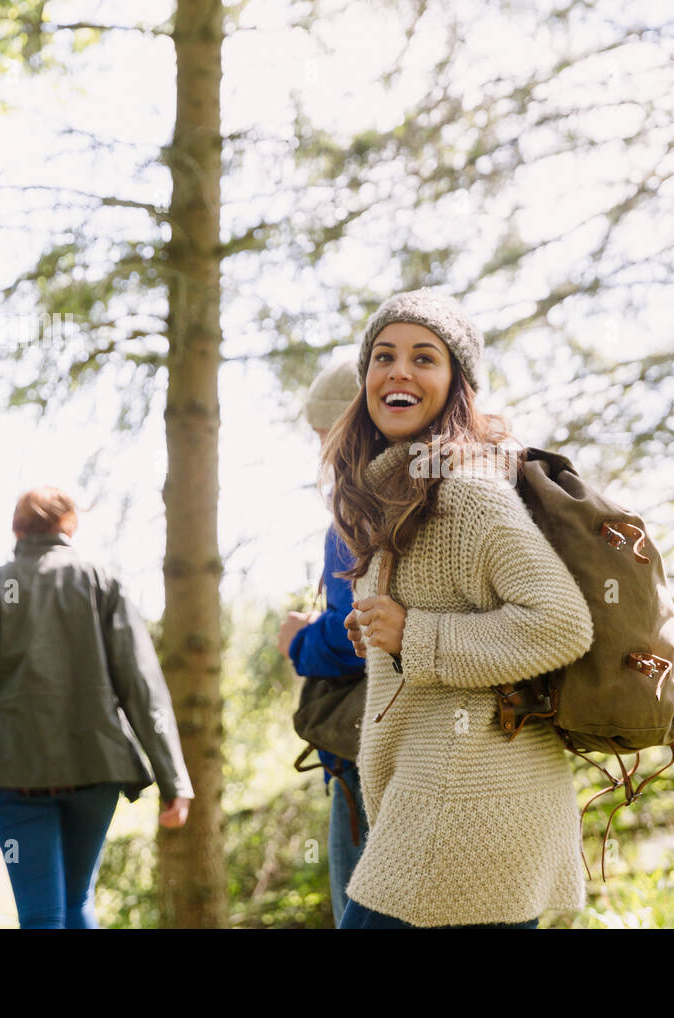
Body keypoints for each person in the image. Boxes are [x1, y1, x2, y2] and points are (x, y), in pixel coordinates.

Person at [323, 289, 594, 929]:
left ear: (456, 383)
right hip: (447, 794)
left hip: (469, 798)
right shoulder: (395, 491)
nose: (399, 371)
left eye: (425, 358)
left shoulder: (467, 490)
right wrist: (381, 634)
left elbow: (562, 623)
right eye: (383, 357)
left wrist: (416, 632)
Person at [0, 487, 193, 929]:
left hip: (14, 774)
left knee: (42, 913)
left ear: (16, 530)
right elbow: (142, 686)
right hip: (95, 770)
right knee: (77, 902)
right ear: (69, 526)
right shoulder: (103, 582)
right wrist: (174, 778)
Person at [277, 356, 370, 926]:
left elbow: (348, 638)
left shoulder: (356, 505)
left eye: (322, 434)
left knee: (356, 906)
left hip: (363, 749)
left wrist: (298, 641)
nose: (320, 450)